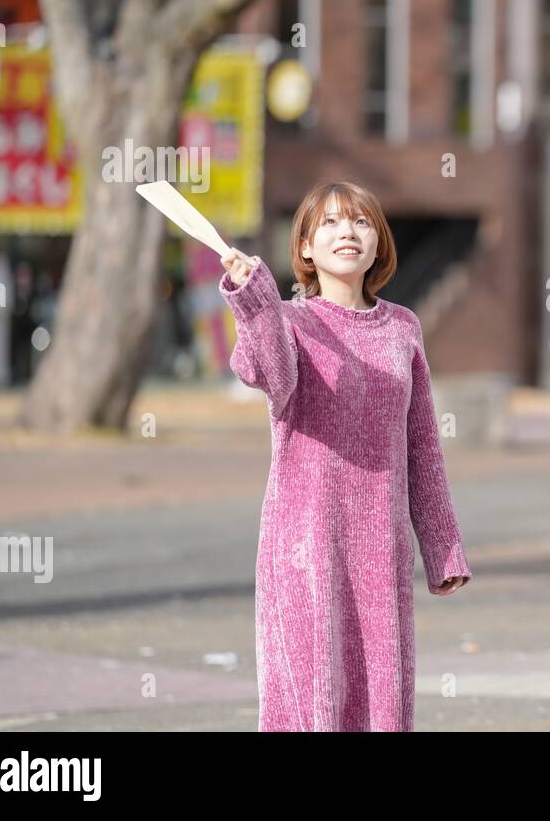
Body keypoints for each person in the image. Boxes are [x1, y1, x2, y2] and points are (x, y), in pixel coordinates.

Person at [219, 180, 472, 732]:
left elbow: (423, 442)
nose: (347, 233)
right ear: (306, 247)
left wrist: (443, 548)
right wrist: (254, 298)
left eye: (360, 222)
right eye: (329, 223)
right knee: (310, 695)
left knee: (380, 697)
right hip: (305, 545)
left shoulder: (403, 328)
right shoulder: (288, 322)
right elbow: (263, 371)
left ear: (379, 244)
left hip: (381, 546)